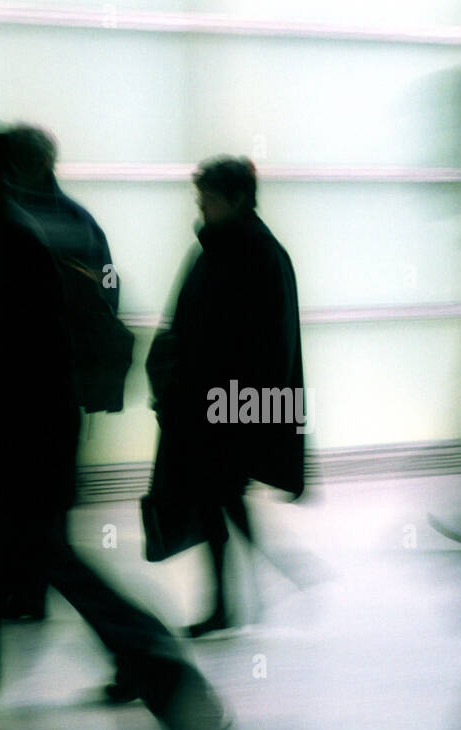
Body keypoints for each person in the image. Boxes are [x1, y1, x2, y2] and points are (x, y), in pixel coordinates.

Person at [0, 126, 232, 730]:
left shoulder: (24, 242)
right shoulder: (19, 237)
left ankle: (177, 695)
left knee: (50, 581)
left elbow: (29, 365)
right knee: (8, 589)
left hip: (29, 456)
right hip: (31, 453)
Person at [145, 156, 305, 638]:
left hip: (229, 404)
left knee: (216, 493)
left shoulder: (251, 252)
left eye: (210, 199)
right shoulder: (225, 246)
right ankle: (255, 580)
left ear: (237, 198)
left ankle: (232, 597)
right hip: (211, 401)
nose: (203, 207)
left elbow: (263, 342)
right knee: (219, 495)